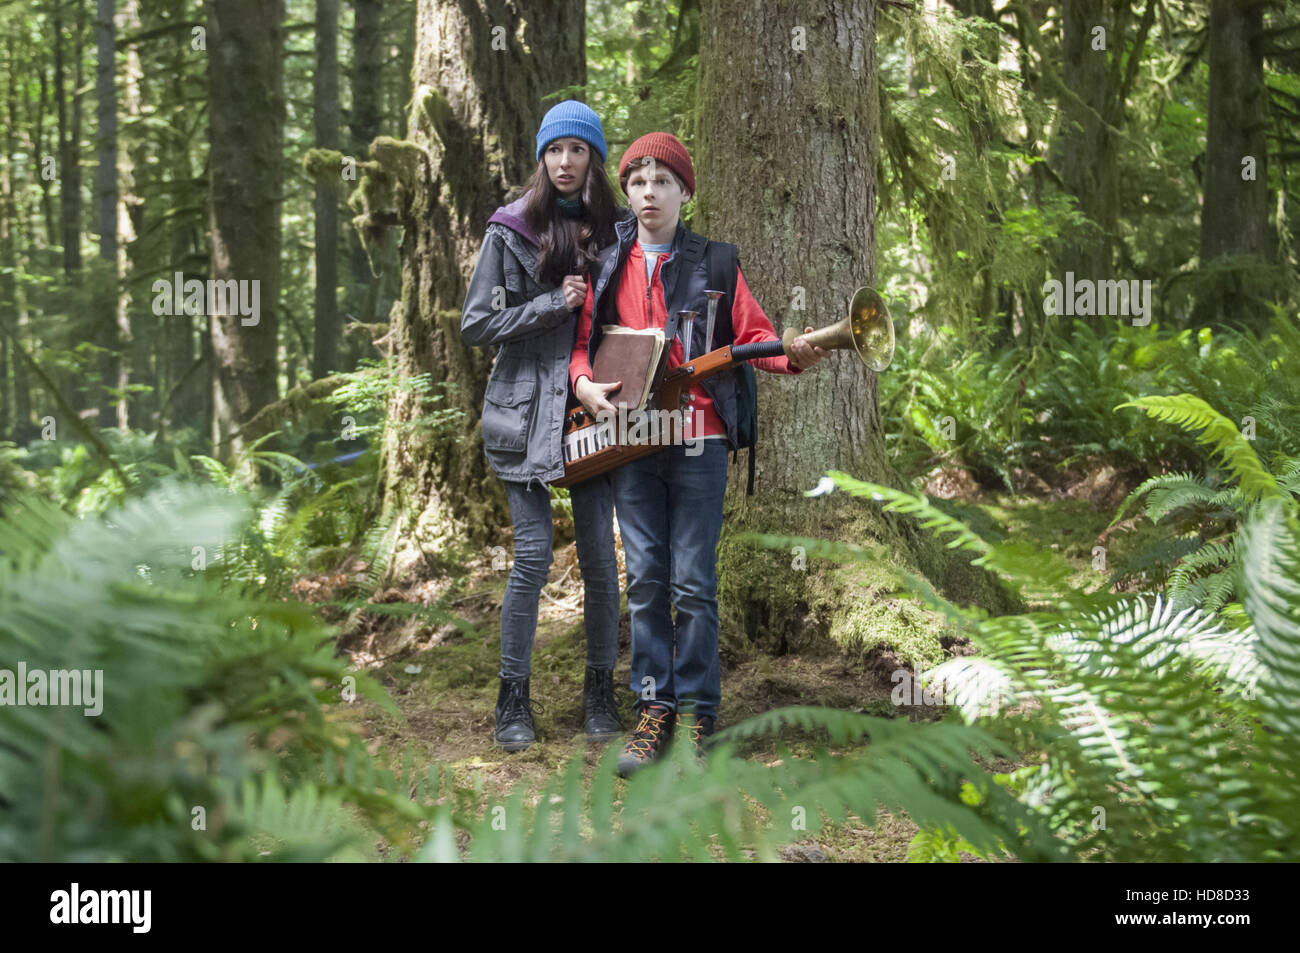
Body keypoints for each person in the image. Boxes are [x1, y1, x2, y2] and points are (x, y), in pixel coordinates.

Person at [568, 132, 827, 777]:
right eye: (637, 181)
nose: (648, 193)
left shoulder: (715, 262)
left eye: (662, 181)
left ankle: (698, 719)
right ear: (625, 192)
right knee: (648, 578)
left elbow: (756, 337)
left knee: (692, 582)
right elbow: (578, 345)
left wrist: (793, 355)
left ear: (685, 191)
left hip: (700, 441)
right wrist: (582, 385)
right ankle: (652, 710)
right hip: (629, 441)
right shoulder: (604, 263)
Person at [460, 100, 626, 751]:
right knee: (530, 556)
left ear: (593, 159)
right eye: (554, 151)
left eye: (576, 150)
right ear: (541, 158)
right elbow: (476, 325)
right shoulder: (509, 230)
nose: (564, 161)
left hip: (590, 414)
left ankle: (597, 694)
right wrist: (548, 305)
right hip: (521, 415)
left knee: (599, 563)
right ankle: (513, 702)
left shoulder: (615, 235)